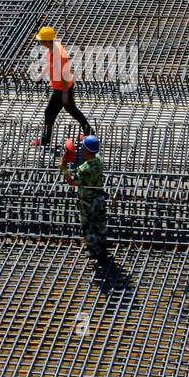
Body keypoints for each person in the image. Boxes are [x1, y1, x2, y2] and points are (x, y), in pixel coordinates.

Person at [29, 26, 92, 149]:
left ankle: (46, 139)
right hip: (61, 87)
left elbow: (64, 75)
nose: (39, 42)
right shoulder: (51, 48)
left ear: (47, 41)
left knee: (50, 112)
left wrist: (64, 94)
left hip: (62, 88)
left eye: (41, 40)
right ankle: (88, 131)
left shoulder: (59, 54)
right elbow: (49, 64)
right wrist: (41, 76)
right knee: (71, 110)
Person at [60, 134, 112, 275]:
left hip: (87, 201)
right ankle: (103, 250)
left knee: (88, 226)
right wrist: (85, 138)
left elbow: (72, 182)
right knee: (100, 223)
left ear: (86, 151)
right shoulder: (99, 161)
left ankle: (94, 251)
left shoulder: (83, 169)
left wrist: (63, 167)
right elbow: (94, 149)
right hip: (99, 199)